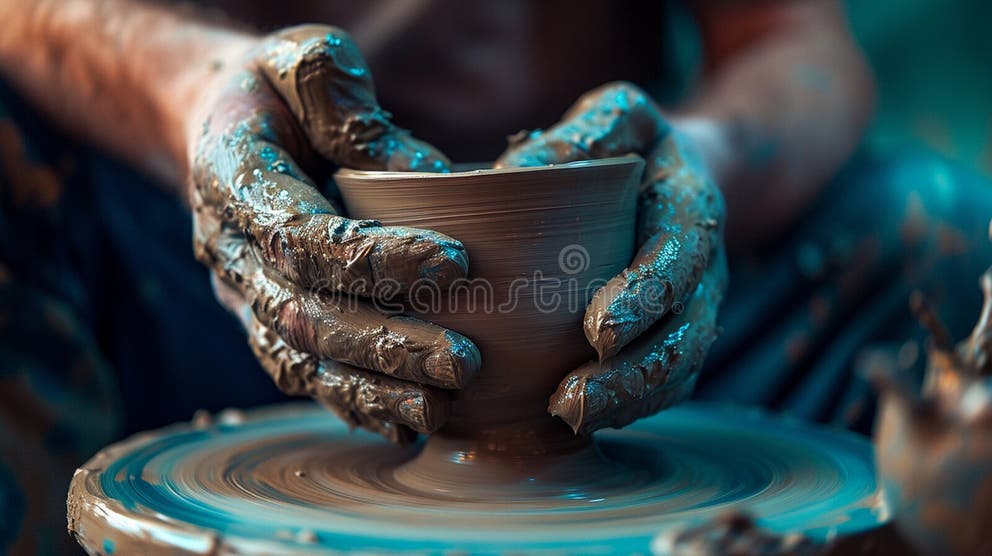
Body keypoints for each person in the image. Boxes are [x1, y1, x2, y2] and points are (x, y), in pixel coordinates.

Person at [0, 1, 988, 553]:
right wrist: (195, 95)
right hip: (208, 258)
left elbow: (792, 39)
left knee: (941, 236)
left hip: (620, 322)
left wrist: (710, 157)